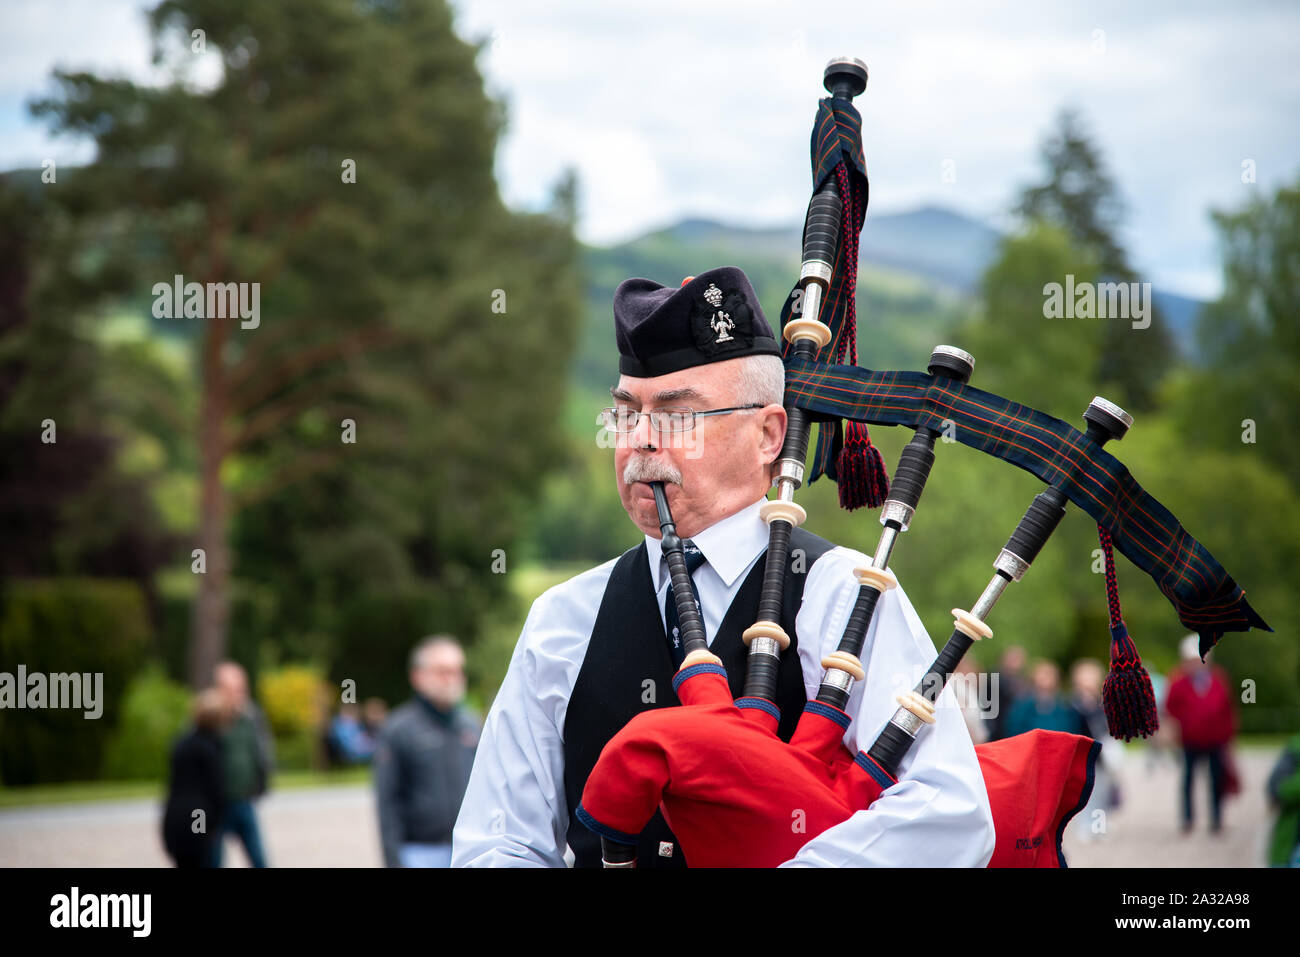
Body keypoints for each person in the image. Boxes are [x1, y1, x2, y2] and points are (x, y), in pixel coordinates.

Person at [452, 265, 994, 867]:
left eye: (678, 415)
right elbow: (498, 839)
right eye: (627, 415)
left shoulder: (841, 592)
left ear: (769, 435)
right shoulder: (563, 618)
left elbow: (948, 811)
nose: (643, 442)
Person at [374, 636, 480, 868]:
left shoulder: (471, 725)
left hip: (468, 849)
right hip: (420, 853)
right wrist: (393, 860)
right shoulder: (398, 730)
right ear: (418, 676)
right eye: (442, 671)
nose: (451, 679)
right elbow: (387, 804)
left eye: (456, 671)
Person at [1164, 634, 1236, 834]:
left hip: (1215, 740)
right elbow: (1170, 709)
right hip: (1190, 740)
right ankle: (1187, 819)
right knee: (1188, 780)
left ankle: (1216, 819)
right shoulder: (1178, 681)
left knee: (1216, 780)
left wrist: (1229, 738)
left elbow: (1228, 710)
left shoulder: (1219, 678)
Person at [212, 660, 275, 867]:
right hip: (215, 805)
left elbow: (263, 749)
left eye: (240, 689)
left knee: (259, 858)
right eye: (231, 690)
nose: (237, 695)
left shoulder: (252, 716)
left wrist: (262, 781)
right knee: (212, 859)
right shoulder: (209, 719)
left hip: (244, 799)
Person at [161, 688, 229, 868]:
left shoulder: (181, 745)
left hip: (176, 816)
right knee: (203, 858)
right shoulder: (210, 750)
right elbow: (217, 791)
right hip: (198, 817)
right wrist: (214, 824)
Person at [1001, 660, 1090, 739]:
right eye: (1042, 675)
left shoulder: (1065, 708)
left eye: (1048, 675)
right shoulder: (1022, 707)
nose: (1044, 680)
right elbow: (1013, 731)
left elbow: (1072, 732)